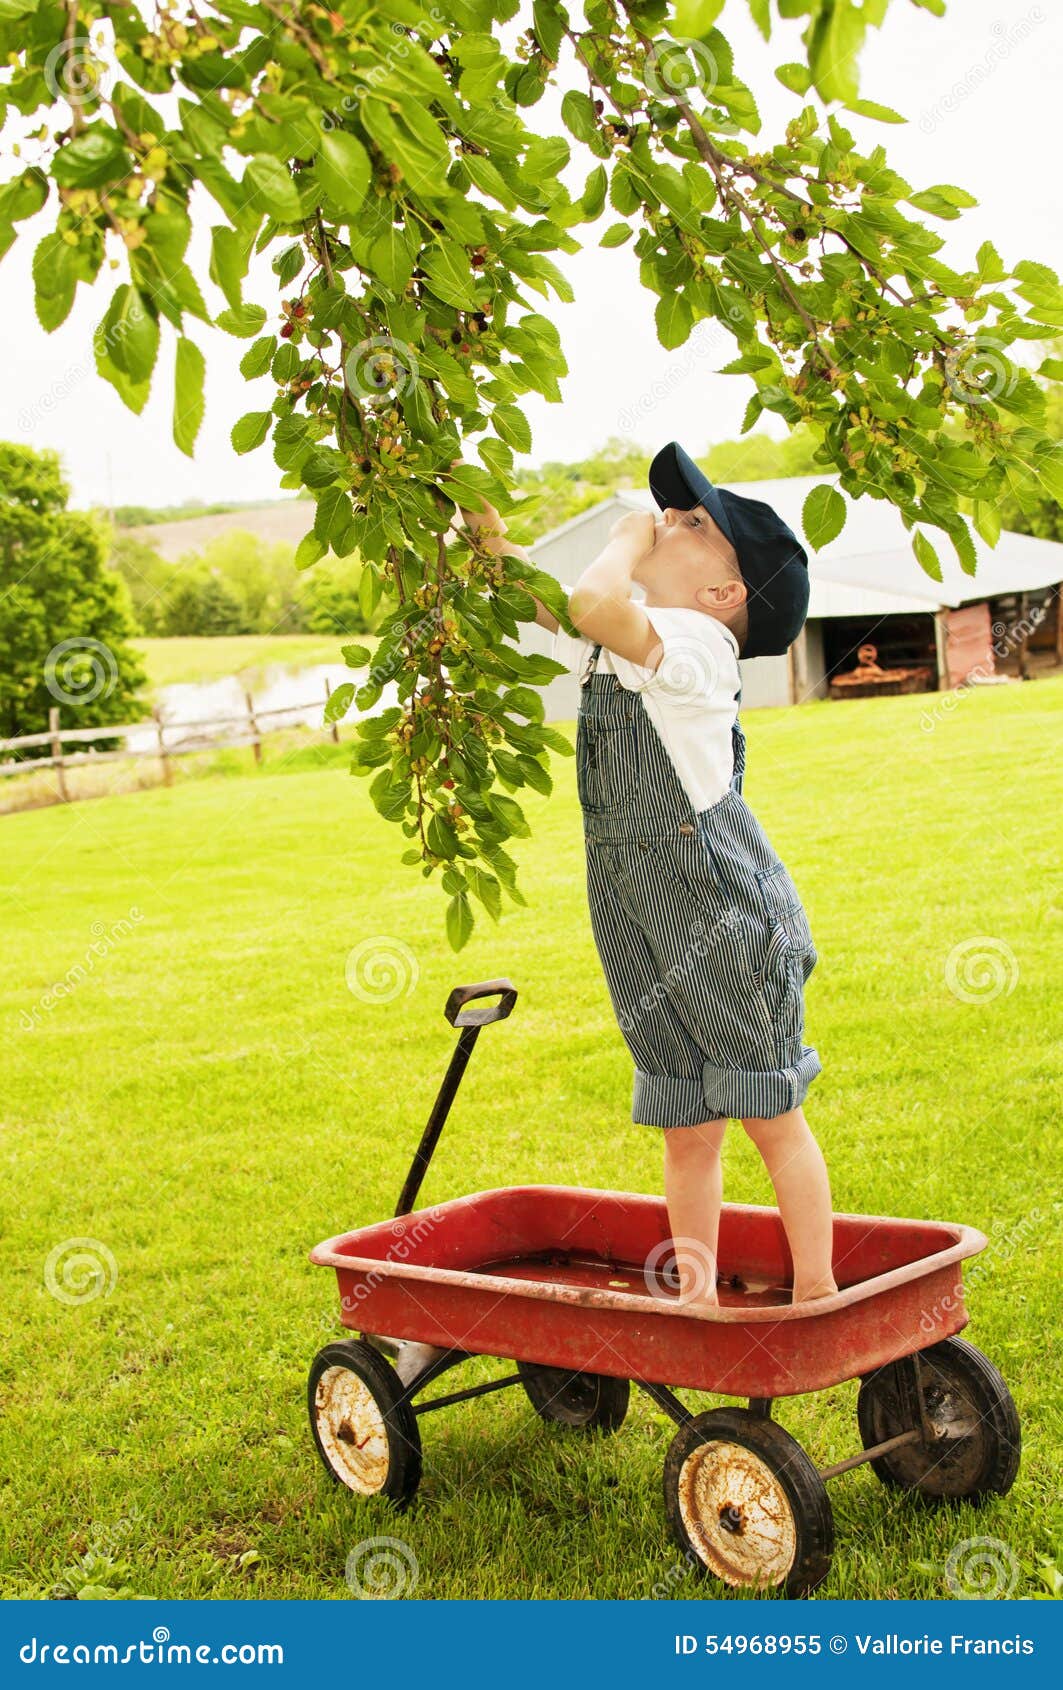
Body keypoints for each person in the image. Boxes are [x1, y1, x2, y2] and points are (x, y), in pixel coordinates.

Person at [388, 441, 836, 1387]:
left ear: (724, 596)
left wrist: (628, 539)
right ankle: (695, 1302)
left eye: (691, 524)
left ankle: (819, 1296)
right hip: (637, 907)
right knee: (687, 1123)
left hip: (721, 914)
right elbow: (554, 605)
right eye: (671, 514)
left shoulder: (696, 649)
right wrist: (489, 537)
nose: (667, 519)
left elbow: (593, 601)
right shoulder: (632, 634)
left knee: (770, 1111)